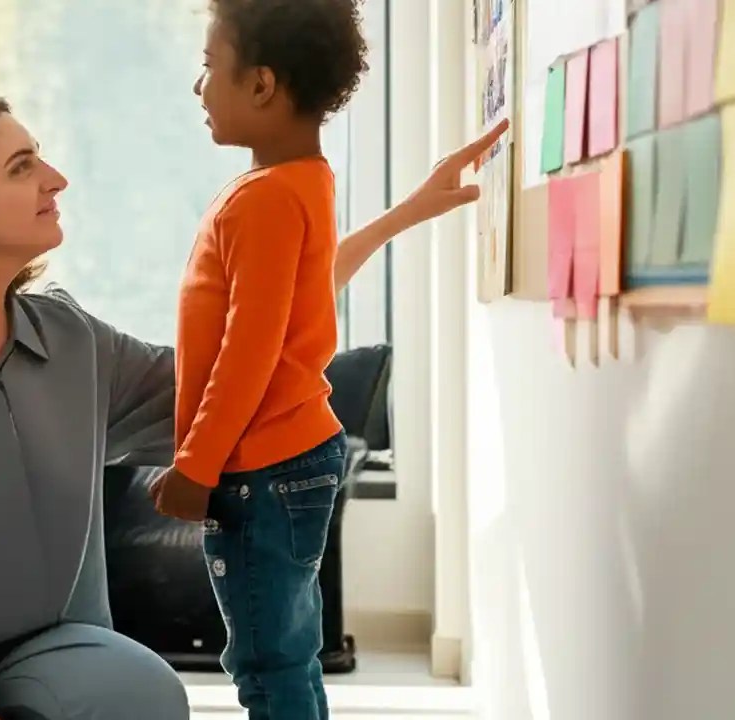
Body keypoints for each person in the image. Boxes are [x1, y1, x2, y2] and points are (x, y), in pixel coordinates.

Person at [0, 91, 505, 718]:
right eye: (22, 167)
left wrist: (397, 218)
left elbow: (238, 361)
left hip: (37, 662)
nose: (56, 178)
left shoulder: (70, 341)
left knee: (140, 692)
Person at [147, 2, 506, 719]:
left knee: (266, 662)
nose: (198, 88)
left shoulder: (262, 200)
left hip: (262, 469)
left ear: (262, 86)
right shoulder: (304, 177)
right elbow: (306, 290)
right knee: (289, 653)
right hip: (295, 460)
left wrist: (198, 464)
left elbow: (251, 347)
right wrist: (409, 210)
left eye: (210, 67)